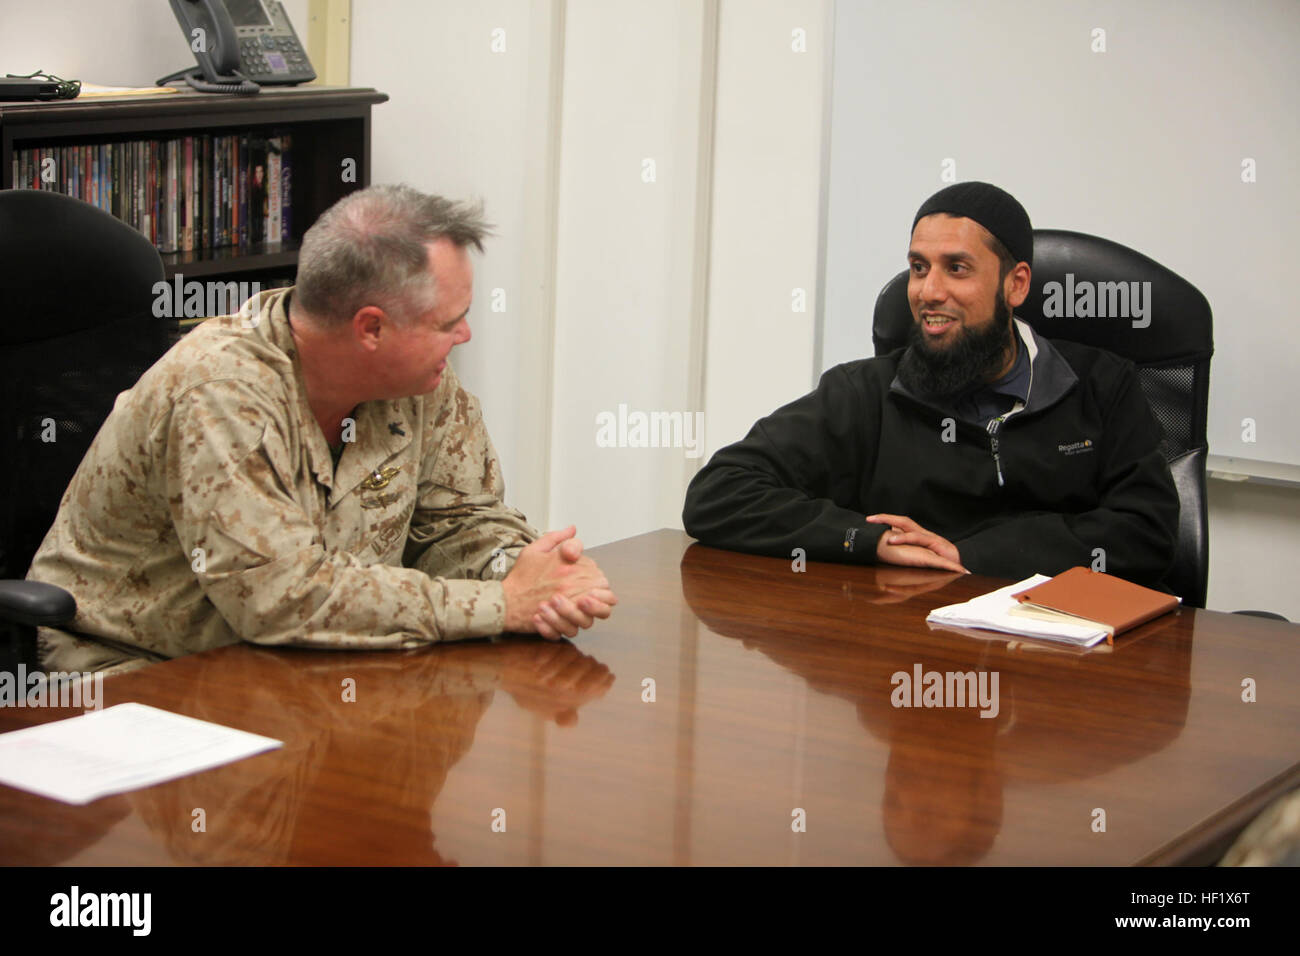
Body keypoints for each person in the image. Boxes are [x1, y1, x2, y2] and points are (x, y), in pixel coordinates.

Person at [28, 184, 616, 674]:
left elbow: (457, 521)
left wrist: (529, 573)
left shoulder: (418, 383)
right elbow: (280, 599)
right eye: (449, 322)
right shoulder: (222, 393)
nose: (464, 337)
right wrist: (501, 604)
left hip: (308, 663)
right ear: (371, 328)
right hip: (145, 674)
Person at [682, 181, 1179, 587]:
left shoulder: (1100, 385)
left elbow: (1147, 532)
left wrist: (970, 553)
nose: (927, 292)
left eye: (956, 269)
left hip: (1065, 670)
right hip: (909, 664)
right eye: (918, 268)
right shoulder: (866, 393)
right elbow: (719, 494)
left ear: (1016, 284)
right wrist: (868, 540)